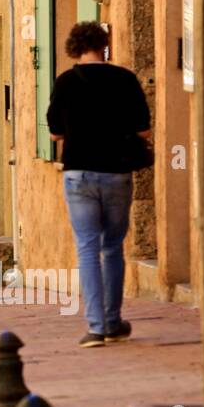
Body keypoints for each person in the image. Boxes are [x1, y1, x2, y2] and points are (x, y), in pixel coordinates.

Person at [46, 21, 152, 349]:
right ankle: (112, 321)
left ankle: (95, 327)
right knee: (112, 247)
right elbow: (144, 131)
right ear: (104, 44)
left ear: (75, 47)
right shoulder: (125, 79)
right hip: (116, 172)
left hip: (79, 173)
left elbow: (55, 133)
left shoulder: (65, 82)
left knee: (88, 247)